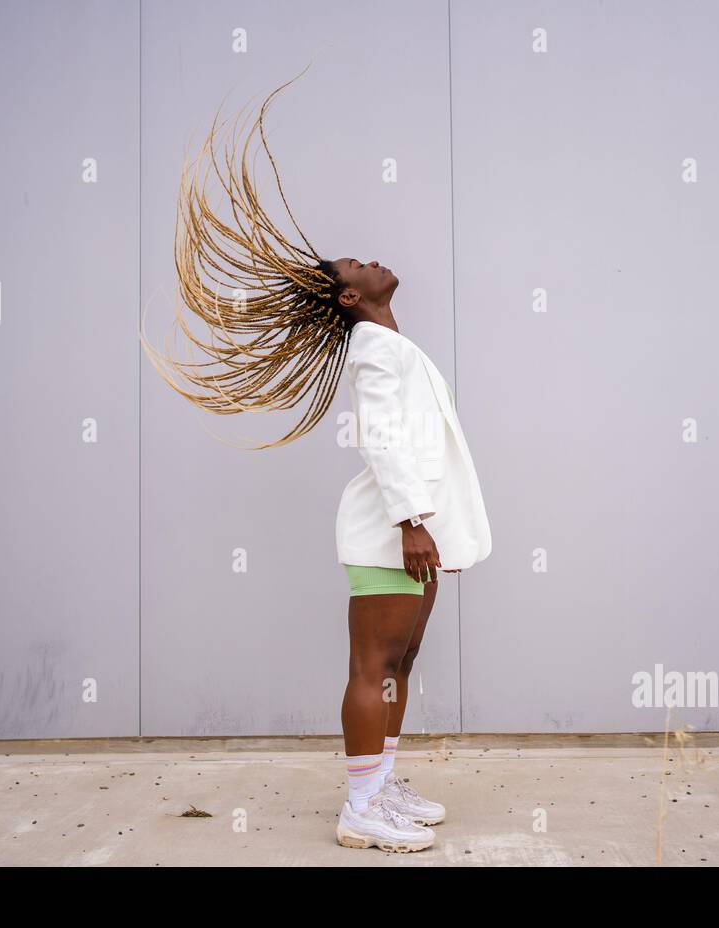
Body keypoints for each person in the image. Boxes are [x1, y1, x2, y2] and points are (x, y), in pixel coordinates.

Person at [139, 68, 491, 854]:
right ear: (350, 298)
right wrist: (411, 523)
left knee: (402, 657)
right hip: (391, 530)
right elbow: (381, 439)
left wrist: (430, 524)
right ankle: (360, 807)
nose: (369, 260)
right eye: (354, 266)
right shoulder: (372, 350)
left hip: (413, 528)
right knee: (375, 660)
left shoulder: (387, 341)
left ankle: (381, 784)